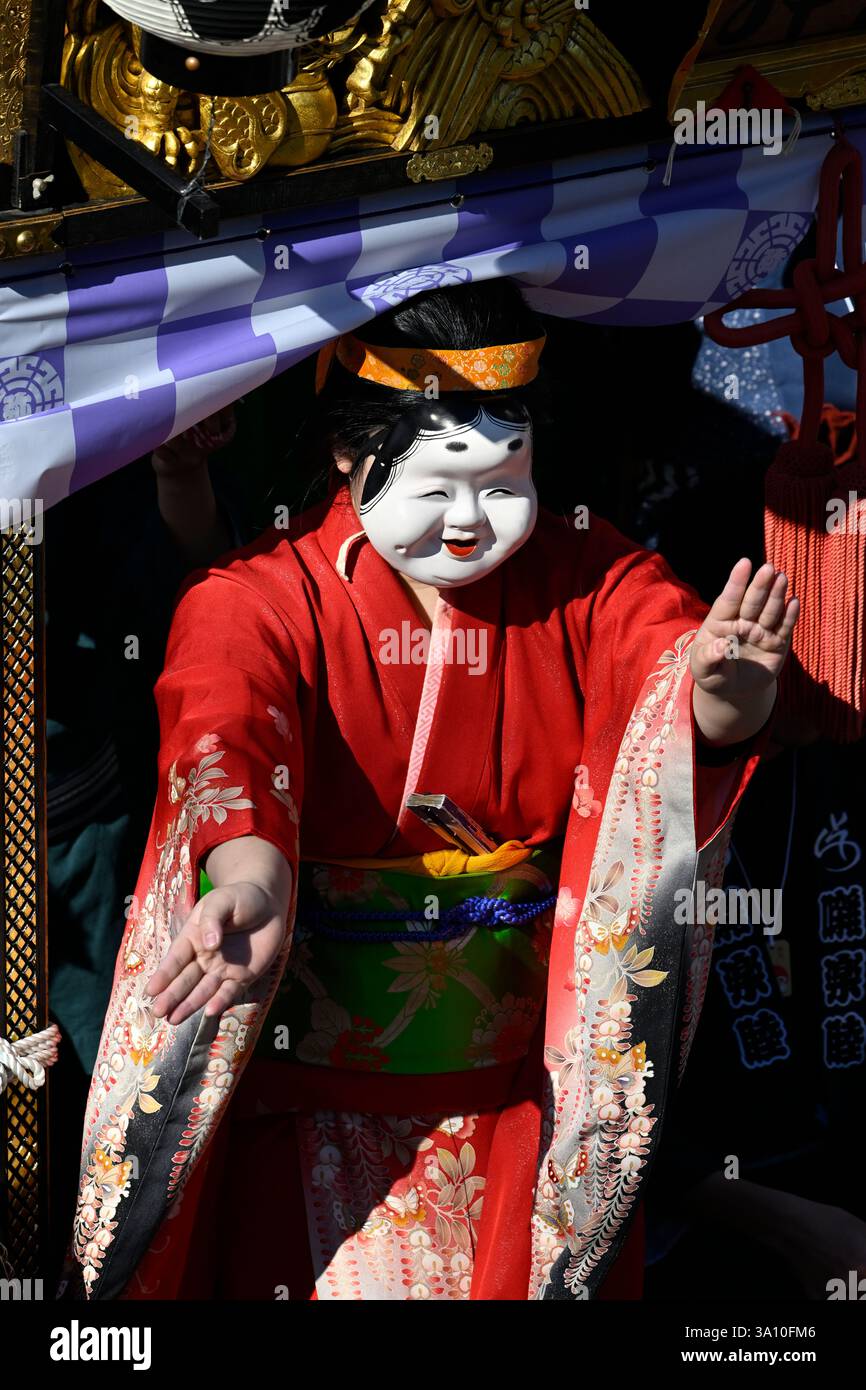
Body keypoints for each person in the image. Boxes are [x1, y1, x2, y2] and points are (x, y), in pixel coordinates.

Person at [62, 278, 797, 1302]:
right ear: (342, 452)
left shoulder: (585, 575)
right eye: (437, 485)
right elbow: (223, 732)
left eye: (503, 484)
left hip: (525, 1104)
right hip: (313, 1115)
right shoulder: (257, 600)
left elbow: (665, 667)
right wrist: (249, 874)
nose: (469, 522)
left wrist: (720, 699)